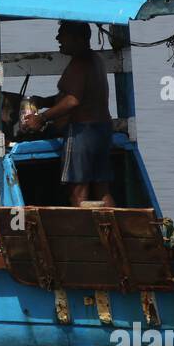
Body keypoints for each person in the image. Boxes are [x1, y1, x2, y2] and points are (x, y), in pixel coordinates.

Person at [21, 21, 116, 207]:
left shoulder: (79, 63)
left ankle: (84, 234)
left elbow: (73, 100)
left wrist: (42, 118)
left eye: (61, 34)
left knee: (78, 194)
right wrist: (45, 102)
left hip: (83, 133)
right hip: (101, 130)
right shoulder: (94, 59)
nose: (58, 39)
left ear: (77, 38)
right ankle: (116, 232)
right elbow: (79, 94)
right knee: (102, 190)